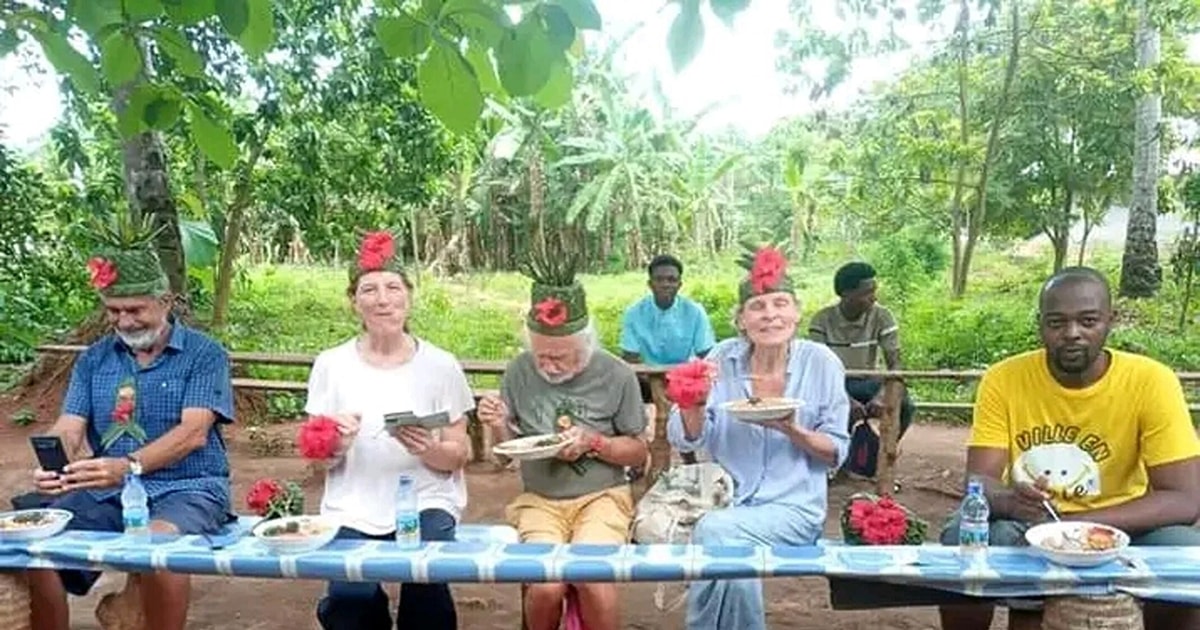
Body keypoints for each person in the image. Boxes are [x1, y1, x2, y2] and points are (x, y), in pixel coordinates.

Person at [937, 267, 1200, 630]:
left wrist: (1074, 528)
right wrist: (1012, 502)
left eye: (1088, 321)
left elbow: (1186, 498)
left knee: (1187, 550)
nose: (1072, 334)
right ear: (1040, 324)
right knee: (960, 537)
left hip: (1121, 525)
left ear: (1111, 320)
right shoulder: (1005, 379)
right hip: (1028, 524)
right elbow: (978, 482)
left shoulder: (1151, 381)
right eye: (1056, 323)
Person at [27, 223, 236, 630]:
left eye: (135, 309)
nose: (124, 321)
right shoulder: (94, 358)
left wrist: (128, 466)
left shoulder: (204, 354)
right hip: (108, 490)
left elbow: (193, 433)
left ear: (166, 301)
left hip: (189, 487)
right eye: (114, 310)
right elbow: (69, 427)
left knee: (154, 550)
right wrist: (50, 464)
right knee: (39, 547)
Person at [667, 244, 851, 630]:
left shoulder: (822, 362)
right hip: (721, 501)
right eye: (758, 307)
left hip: (794, 511)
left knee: (719, 535)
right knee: (729, 545)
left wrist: (789, 427)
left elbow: (836, 452)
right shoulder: (719, 359)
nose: (770, 315)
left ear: (797, 312)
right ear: (740, 319)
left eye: (780, 303)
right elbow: (688, 441)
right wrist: (693, 404)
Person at [305, 231, 474, 630]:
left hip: (427, 499)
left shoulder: (441, 365)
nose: (383, 299)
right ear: (354, 302)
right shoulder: (331, 365)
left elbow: (459, 453)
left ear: (408, 297)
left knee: (426, 586)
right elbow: (317, 464)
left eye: (393, 288)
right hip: (352, 503)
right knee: (349, 601)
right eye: (369, 290)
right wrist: (337, 445)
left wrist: (427, 449)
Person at [476, 252, 648, 630]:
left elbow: (638, 453)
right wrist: (499, 424)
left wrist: (595, 443)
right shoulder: (519, 371)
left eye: (561, 357)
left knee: (592, 577)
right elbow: (504, 457)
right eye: (542, 357)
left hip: (603, 497)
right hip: (540, 500)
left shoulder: (617, 374)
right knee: (545, 584)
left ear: (587, 345)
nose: (549, 365)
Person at [809, 261, 914, 479]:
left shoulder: (882, 316)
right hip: (835, 383)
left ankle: (882, 455)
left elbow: (895, 363)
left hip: (869, 381)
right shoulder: (822, 320)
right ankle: (836, 462)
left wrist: (882, 395)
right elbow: (819, 369)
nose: (874, 297)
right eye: (867, 292)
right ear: (846, 293)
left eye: (874, 291)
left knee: (905, 405)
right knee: (824, 407)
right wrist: (845, 399)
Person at [619, 254, 716, 367]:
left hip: (687, 377)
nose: (665, 285)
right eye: (659, 280)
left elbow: (706, 355)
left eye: (672, 280)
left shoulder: (695, 312)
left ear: (679, 285)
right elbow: (630, 357)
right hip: (647, 376)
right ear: (650, 284)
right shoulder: (634, 314)